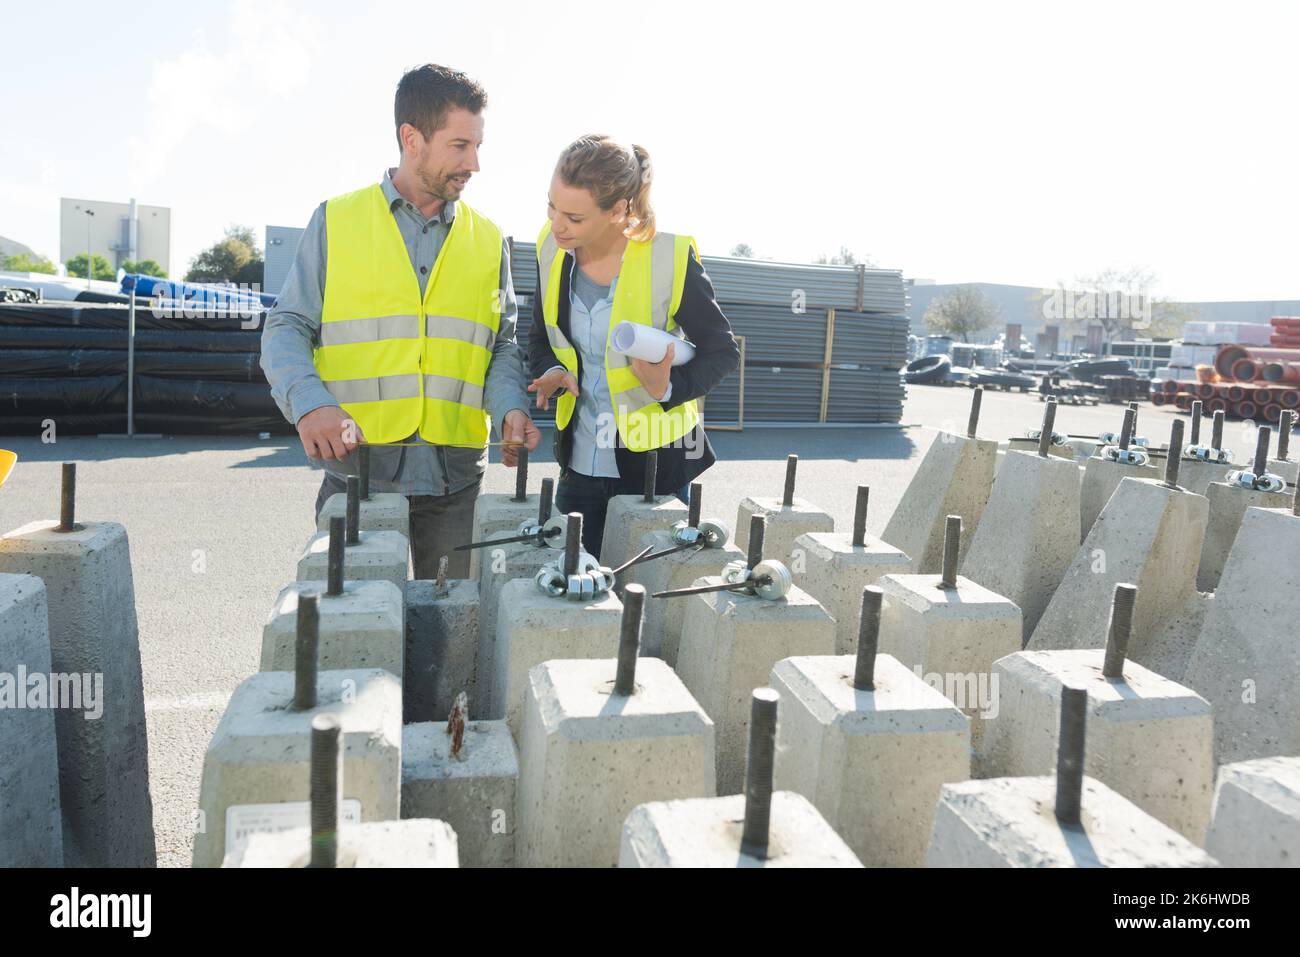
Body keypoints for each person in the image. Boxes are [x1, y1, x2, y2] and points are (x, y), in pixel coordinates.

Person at [261, 64, 540, 579]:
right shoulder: (336, 221)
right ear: (411, 138)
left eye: (479, 145)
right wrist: (310, 404)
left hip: (454, 479)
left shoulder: (488, 239)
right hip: (359, 473)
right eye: (460, 145)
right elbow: (286, 326)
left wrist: (508, 408)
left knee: (454, 624)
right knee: (354, 630)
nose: (475, 163)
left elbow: (500, 344)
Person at [527, 134, 740, 559]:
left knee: (645, 595)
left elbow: (722, 352)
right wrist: (551, 368)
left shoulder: (670, 257)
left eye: (574, 216)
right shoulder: (551, 248)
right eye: (551, 205)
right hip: (579, 464)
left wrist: (667, 387)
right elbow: (540, 336)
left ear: (617, 210)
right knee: (574, 591)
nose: (557, 224)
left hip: (654, 471)